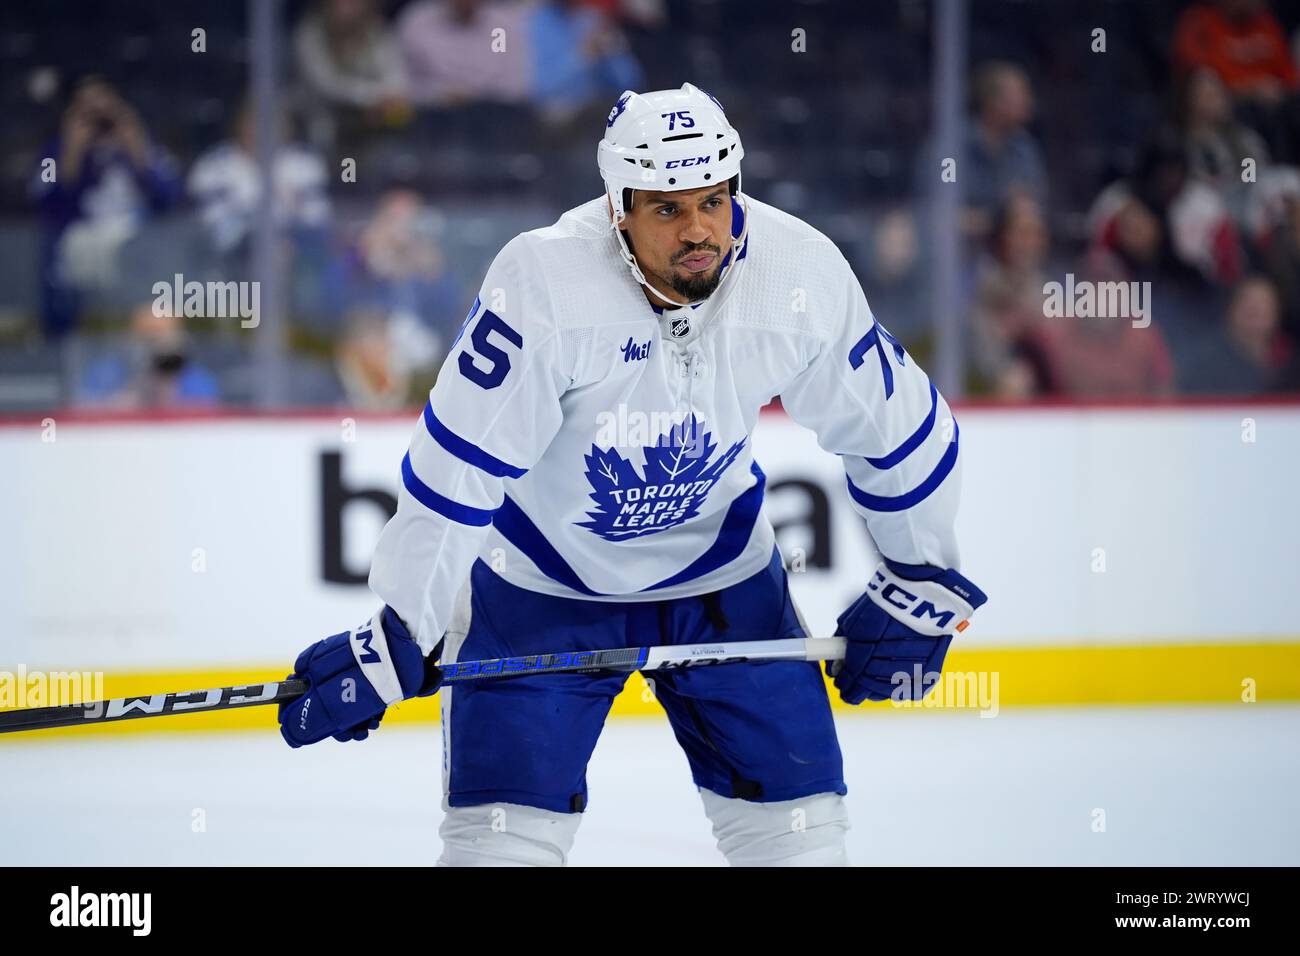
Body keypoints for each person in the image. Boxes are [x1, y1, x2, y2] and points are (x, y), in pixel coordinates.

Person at [275, 84, 987, 866]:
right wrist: (401, 627)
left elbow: (901, 431)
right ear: (618, 208)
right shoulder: (543, 281)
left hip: (724, 584)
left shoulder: (799, 273)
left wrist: (922, 581)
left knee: (804, 843)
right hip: (543, 589)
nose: (699, 232)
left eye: (714, 202)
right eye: (667, 210)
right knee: (498, 853)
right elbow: (458, 468)